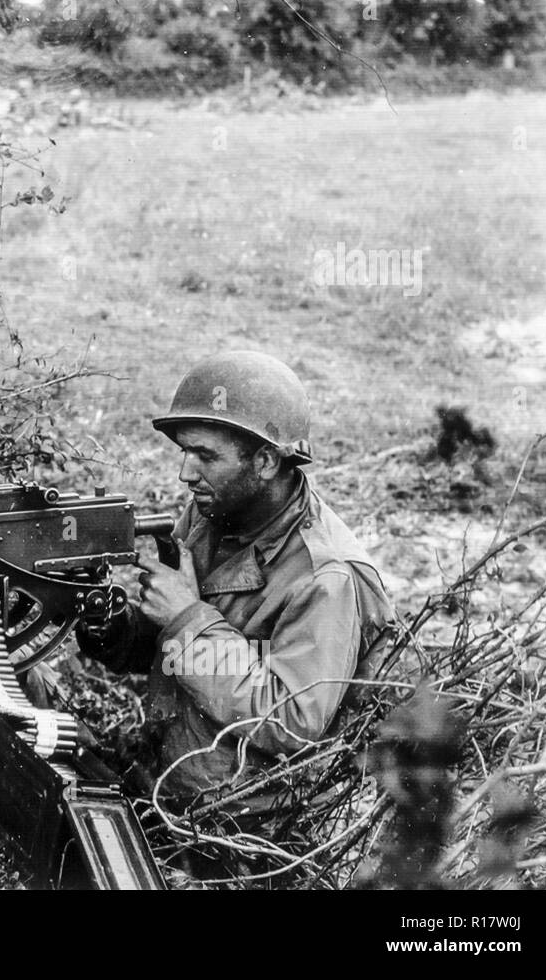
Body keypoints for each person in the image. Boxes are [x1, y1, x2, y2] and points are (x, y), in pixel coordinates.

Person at [78, 350, 394, 816]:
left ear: (266, 461)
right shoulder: (217, 513)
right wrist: (110, 624)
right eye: (185, 451)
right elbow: (167, 650)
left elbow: (292, 720)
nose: (185, 473)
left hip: (252, 826)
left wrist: (185, 618)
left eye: (205, 455)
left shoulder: (327, 577)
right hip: (171, 781)